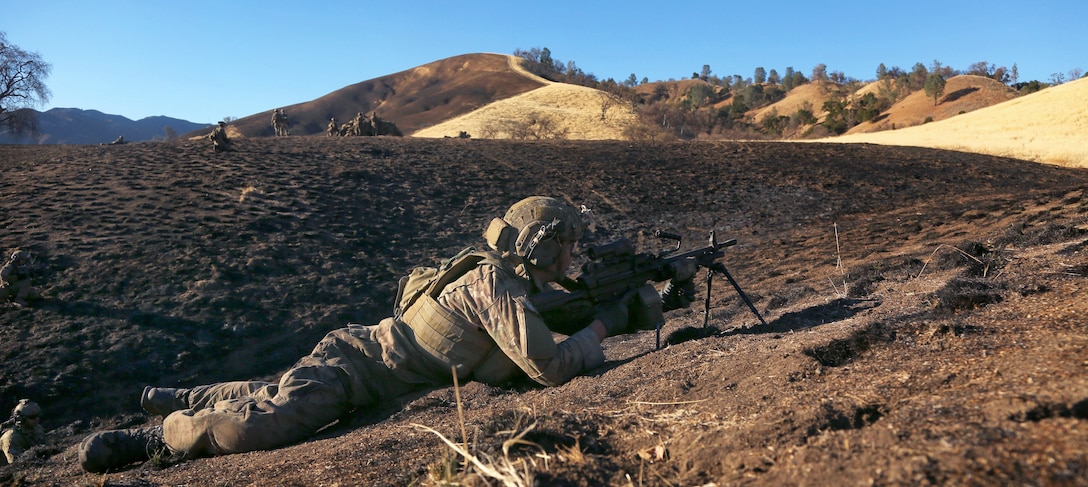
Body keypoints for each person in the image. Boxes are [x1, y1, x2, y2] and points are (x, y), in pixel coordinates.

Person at [77, 196, 698, 473]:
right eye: (565, 245)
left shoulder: (514, 286)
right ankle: (156, 437)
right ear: (538, 246)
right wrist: (613, 321)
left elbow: (549, 320)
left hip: (365, 363)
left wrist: (645, 300)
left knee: (271, 390)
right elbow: (552, 368)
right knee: (253, 425)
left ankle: (185, 397)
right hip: (356, 365)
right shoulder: (493, 286)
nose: (573, 256)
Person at [1, 399, 44, 464]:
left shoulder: (37, 428)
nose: (37, 419)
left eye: (38, 415)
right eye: (32, 417)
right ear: (21, 419)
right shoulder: (11, 437)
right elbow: (15, 463)